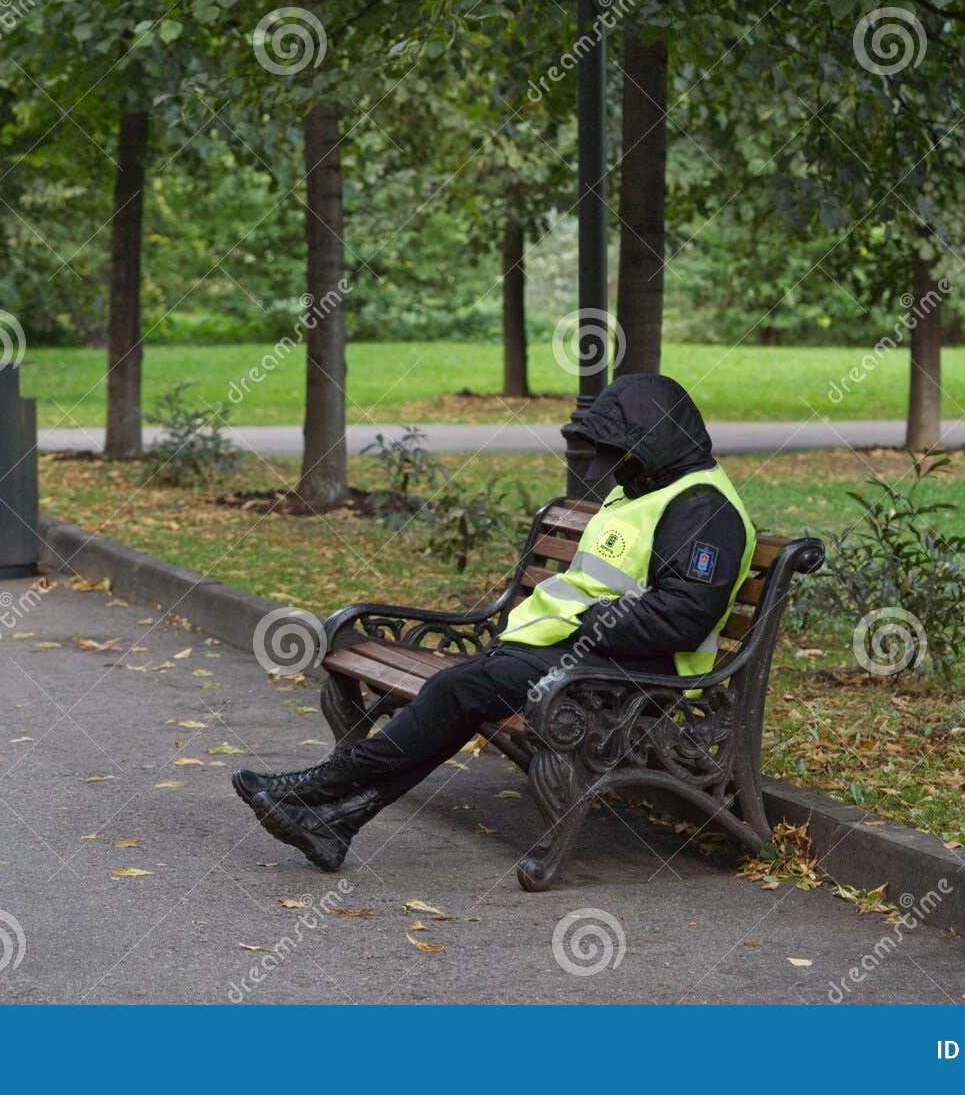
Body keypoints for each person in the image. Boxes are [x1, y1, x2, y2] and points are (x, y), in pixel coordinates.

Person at [232, 373, 757, 871]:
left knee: (456, 690)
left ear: (656, 442)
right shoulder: (649, 488)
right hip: (582, 653)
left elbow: (682, 618)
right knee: (455, 694)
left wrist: (584, 624)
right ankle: (336, 820)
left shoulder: (705, 512)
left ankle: (318, 789)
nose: (613, 463)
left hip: (634, 679)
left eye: (622, 449)